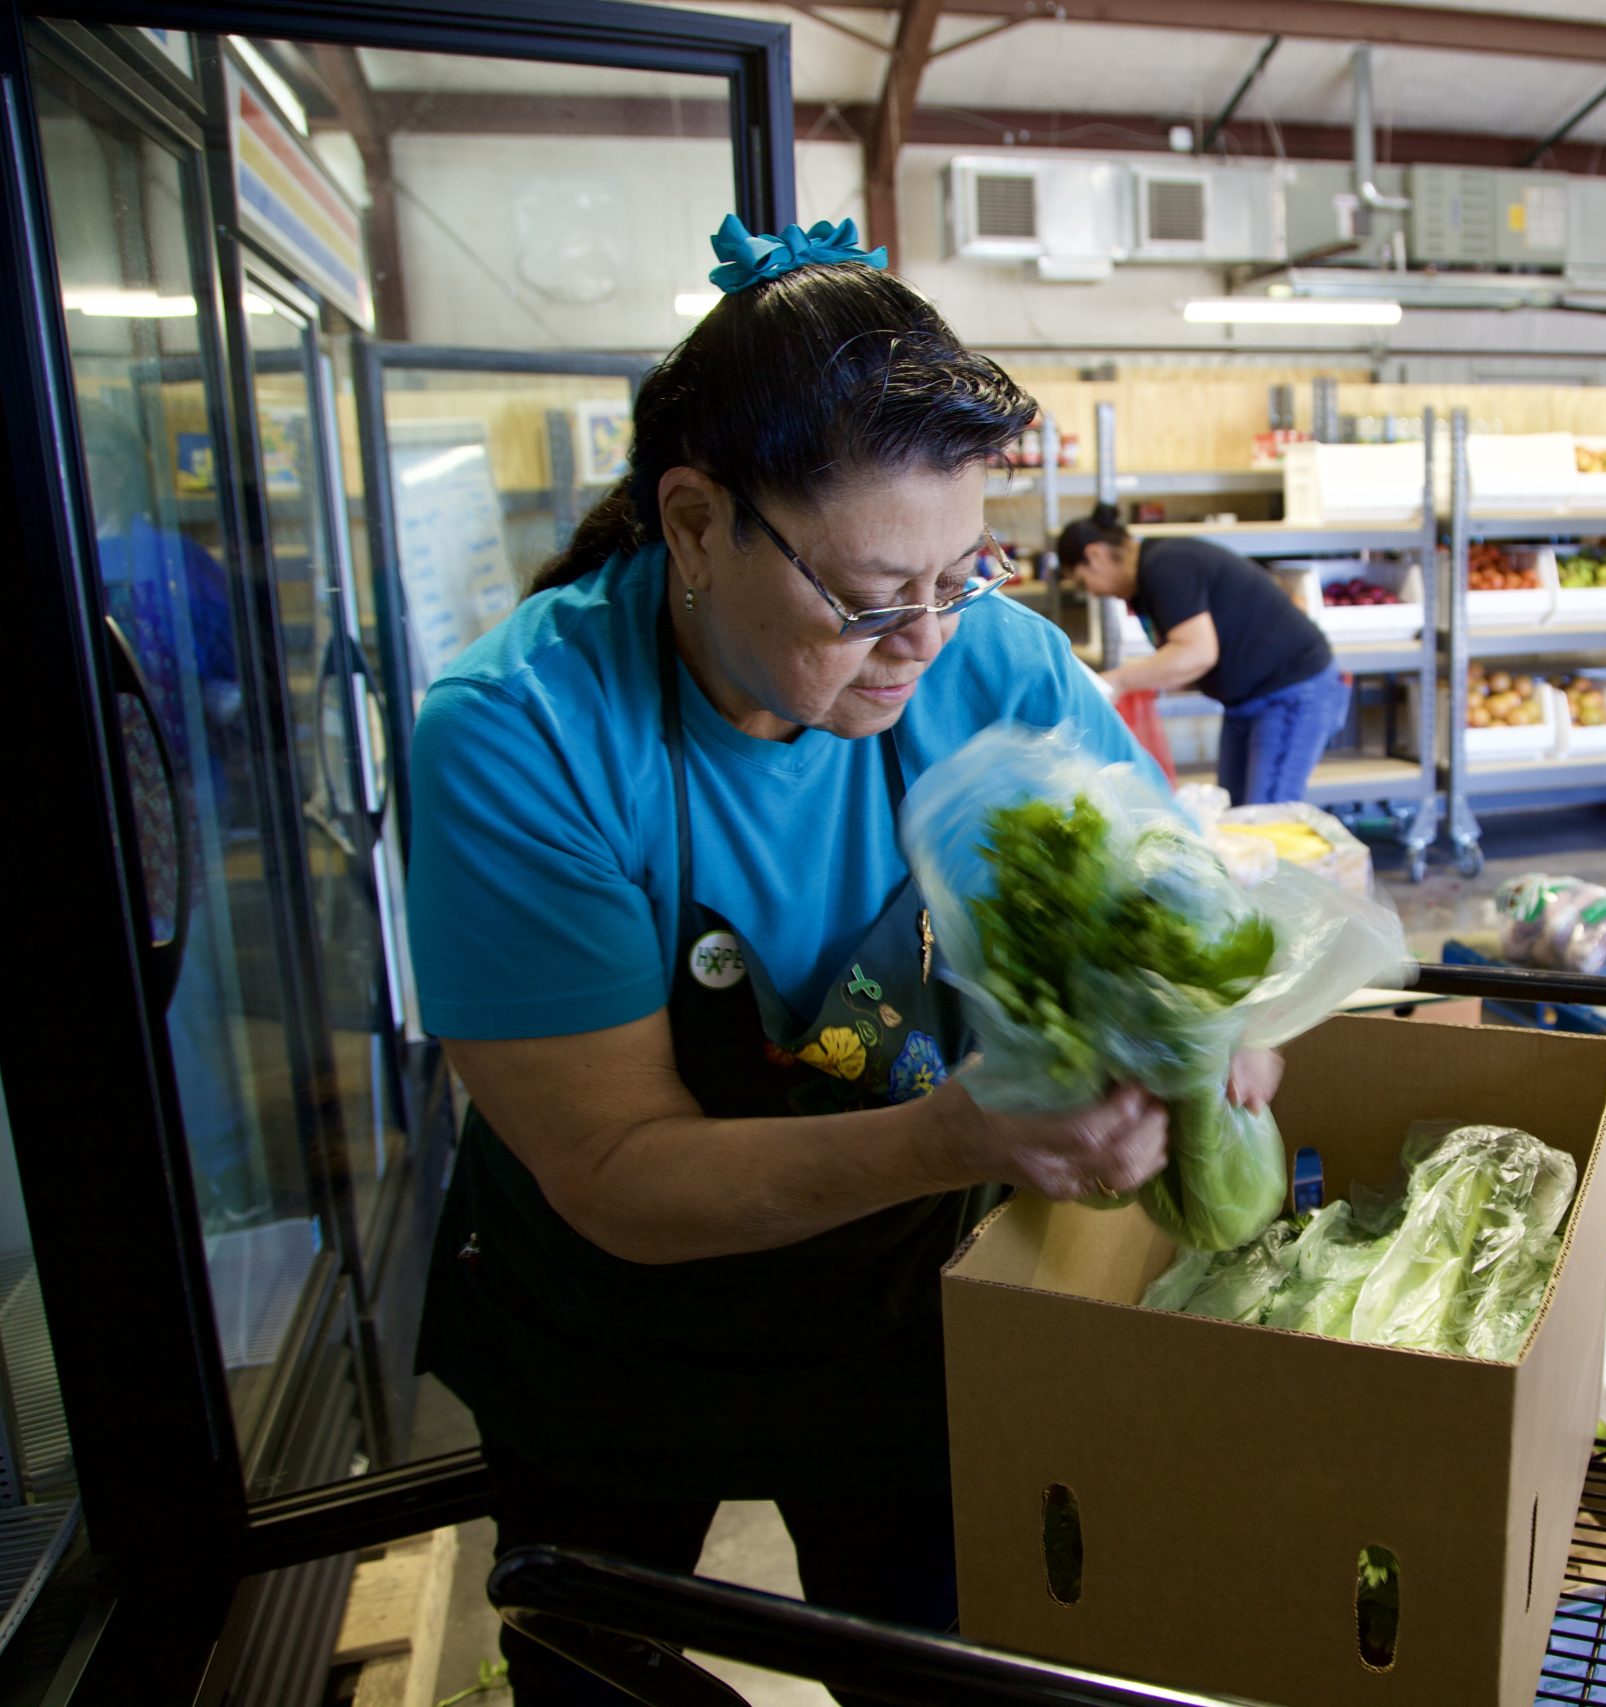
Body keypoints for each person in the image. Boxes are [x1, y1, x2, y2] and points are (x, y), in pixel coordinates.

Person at [404, 216, 1279, 1705]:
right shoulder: (526, 734)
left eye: (964, 571)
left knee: (927, 1656)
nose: (923, 640)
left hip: (899, 1301)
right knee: (595, 1658)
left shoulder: (991, 658)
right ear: (695, 524)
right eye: (870, 596)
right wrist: (952, 1137)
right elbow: (613, 1167)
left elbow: (1161, 886)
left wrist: (1209, 1012)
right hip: (616, 1329)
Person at [1056, 505, 1348, 804]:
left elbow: (1197, 653)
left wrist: (1117, 681)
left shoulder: (1165, 565)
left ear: (1095, 555)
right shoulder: (1146, 583)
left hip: (1291, 691)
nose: (1092, 593)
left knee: (1266, 815)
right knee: (1236, 812)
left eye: (1082, 581)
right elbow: (1187, 662)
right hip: (1246, 700)